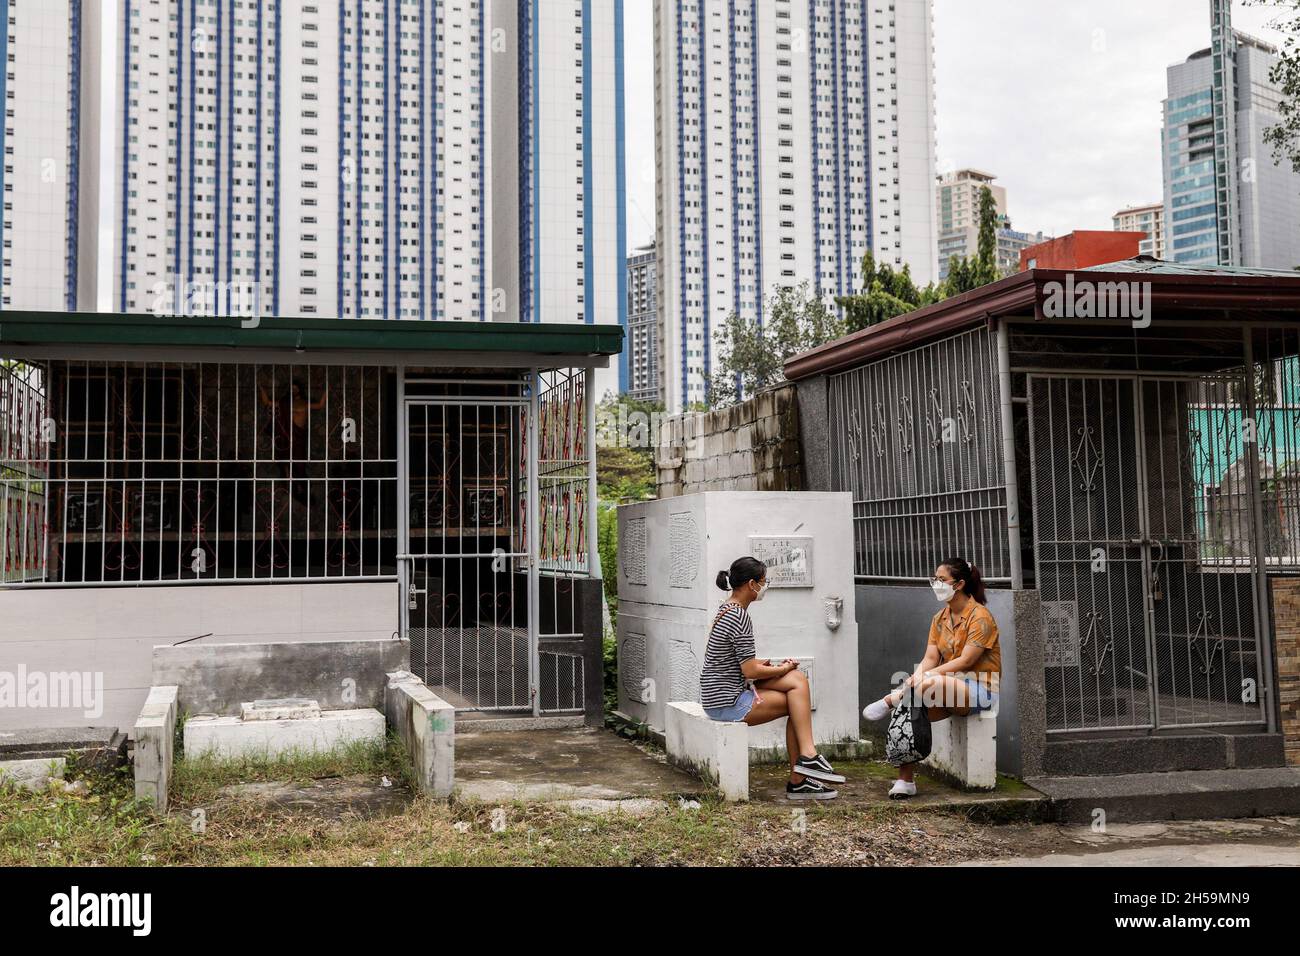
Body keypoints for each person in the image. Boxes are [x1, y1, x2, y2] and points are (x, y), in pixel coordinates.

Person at [701, 556, 847, 800]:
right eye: (763, 581)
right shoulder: (739, 617)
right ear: (751, 584)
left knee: (797, 680)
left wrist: (774, 667)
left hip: (721, 693)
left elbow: (738, 662)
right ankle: (803, 769)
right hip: (726, 703)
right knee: (795, 700)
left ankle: (806, 764)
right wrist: (779, 669)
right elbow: (749, 671)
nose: (765, 587)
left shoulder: (726, 608)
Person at [862, 557, 1000, 799]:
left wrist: (925, 677)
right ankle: (905, 780)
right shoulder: (940, 618)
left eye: (941, 579)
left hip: (980, 691)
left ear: (958, 584)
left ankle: (890, 699)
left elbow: (966, 661)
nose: (936, 583)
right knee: (910, 708)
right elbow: (929, 658)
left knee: (925, 685)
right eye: (935, 579)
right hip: (946, 689)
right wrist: (914, 679)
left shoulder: (981, 617)